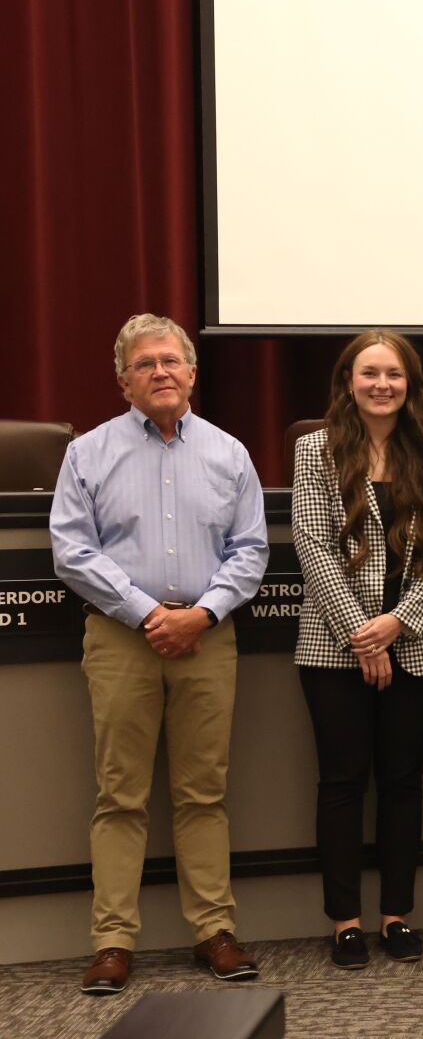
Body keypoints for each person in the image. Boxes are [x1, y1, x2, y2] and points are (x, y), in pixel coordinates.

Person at [51, 313, 269, 995]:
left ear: (193, 373)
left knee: (203, 792)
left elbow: (252, 549)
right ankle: (113, 941)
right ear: (123, 381)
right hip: (122, 638)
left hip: (209, 636)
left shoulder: (230, 453)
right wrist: (150, 614)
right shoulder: (88, 453)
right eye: (145, 364)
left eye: (171, 361)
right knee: (121, 795)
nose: (161, 372)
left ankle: (214, 930)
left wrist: (200, 613)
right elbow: (72, 550)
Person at [291, 330, 423, 968]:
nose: (381, 385)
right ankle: (346, 922)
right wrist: (362, 632)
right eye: (369, 374)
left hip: (416, 645)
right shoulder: (314, 452)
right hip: (333, 649)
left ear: (409, 384)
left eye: (394, 374)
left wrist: (398, 624)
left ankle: (396, 917)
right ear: (348, 382)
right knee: (341, 784)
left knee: (403, 783)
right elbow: (312, 545)